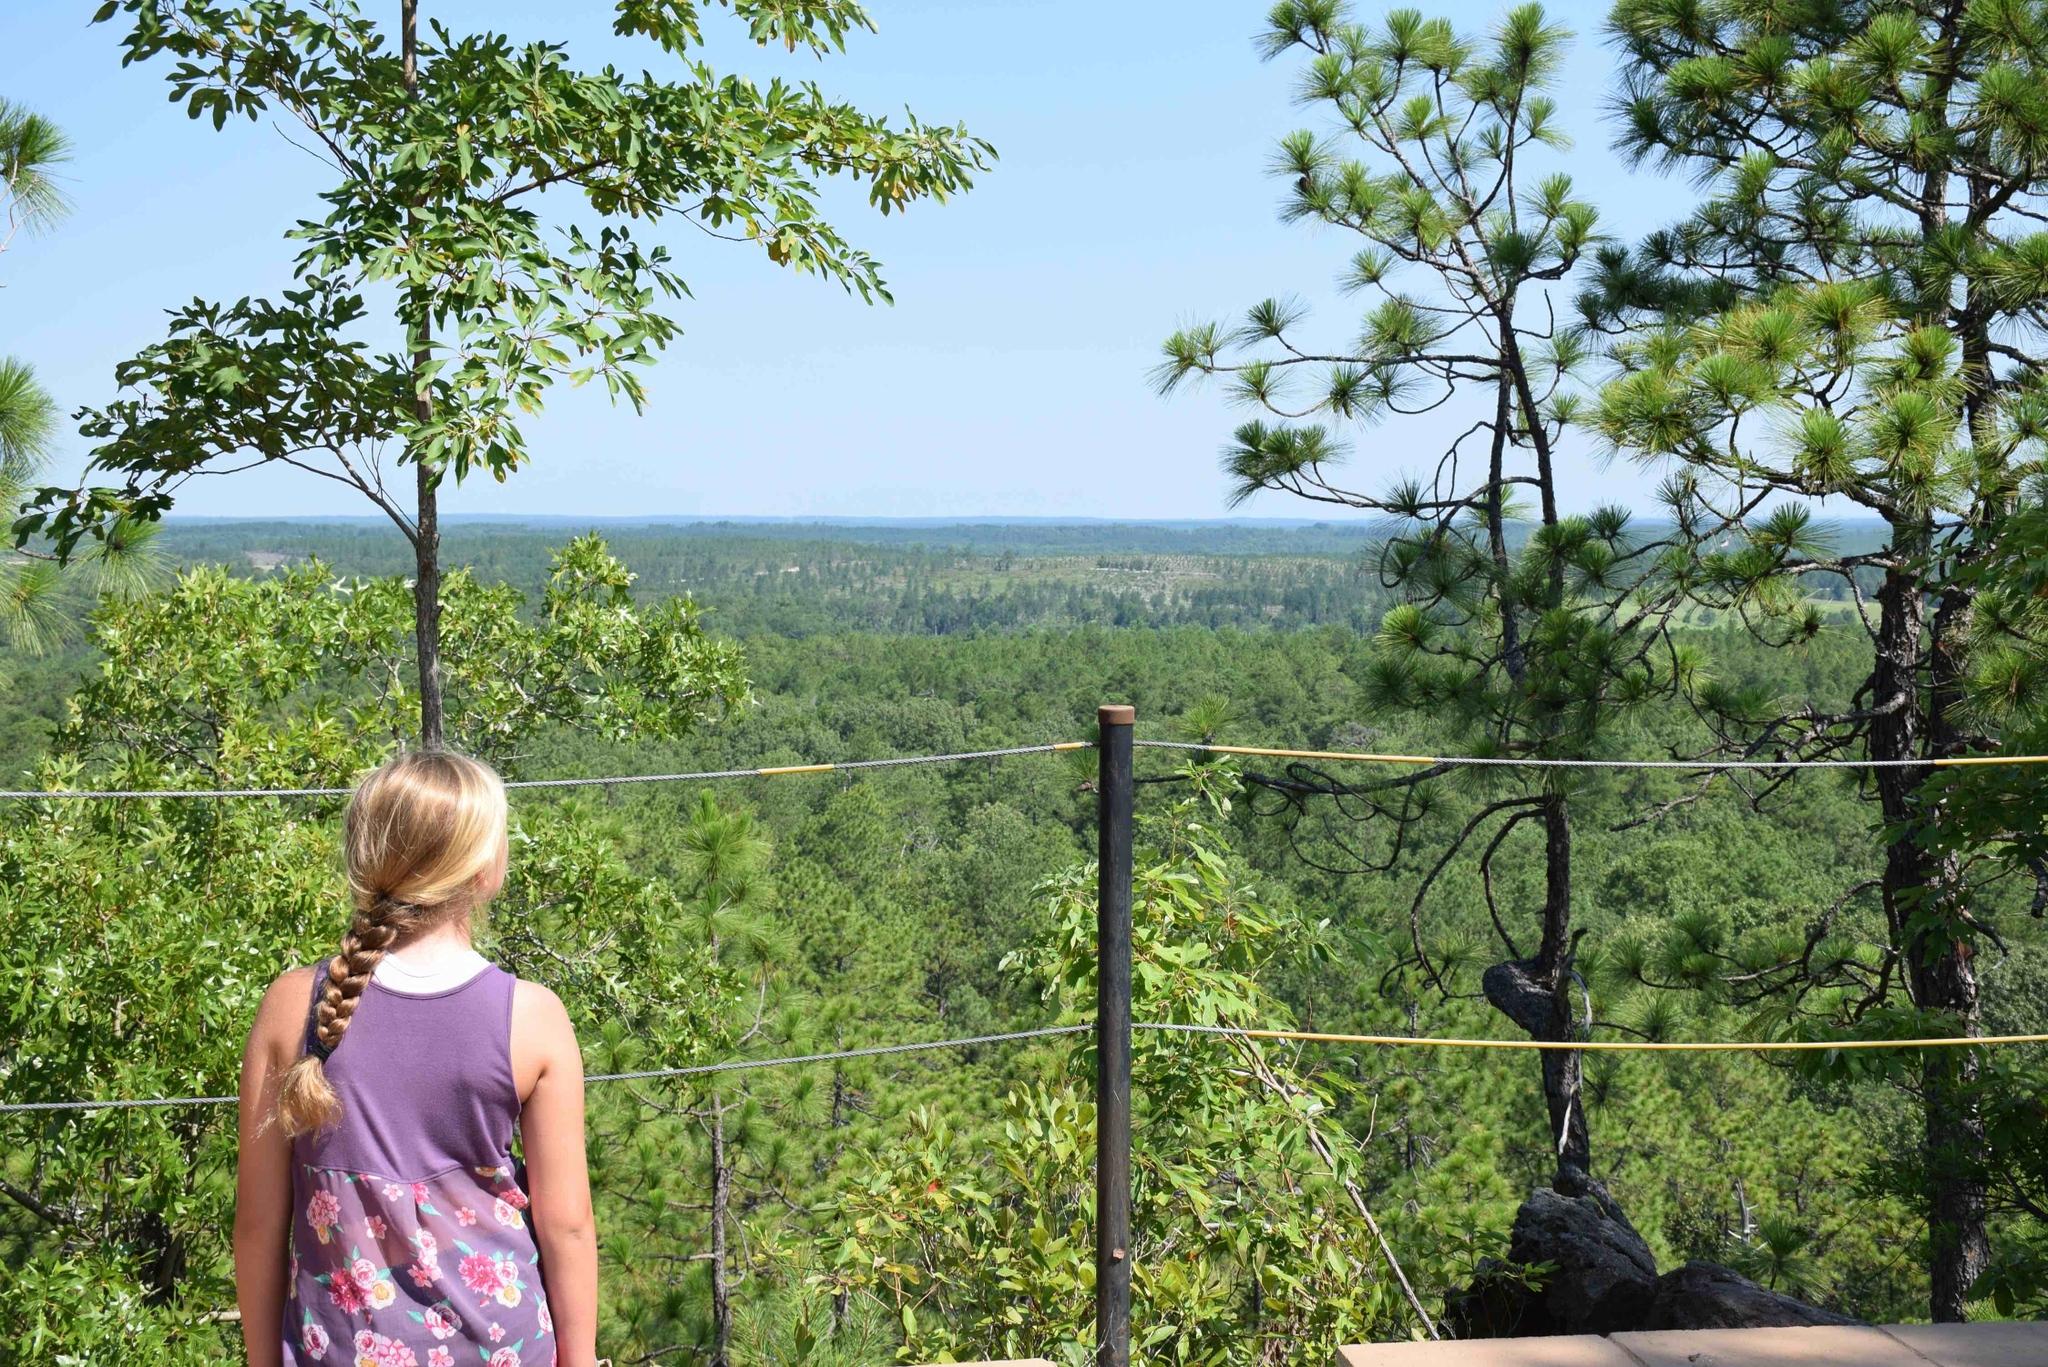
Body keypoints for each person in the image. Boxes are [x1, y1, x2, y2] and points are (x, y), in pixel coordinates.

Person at [233, 750, 598, 1367]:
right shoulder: (533, 1018)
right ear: (485, 869)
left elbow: (258, 1226)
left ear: (363, 857)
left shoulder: (292, 1005)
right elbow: (567, 1226)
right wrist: (581, 1358)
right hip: (503, 1349)